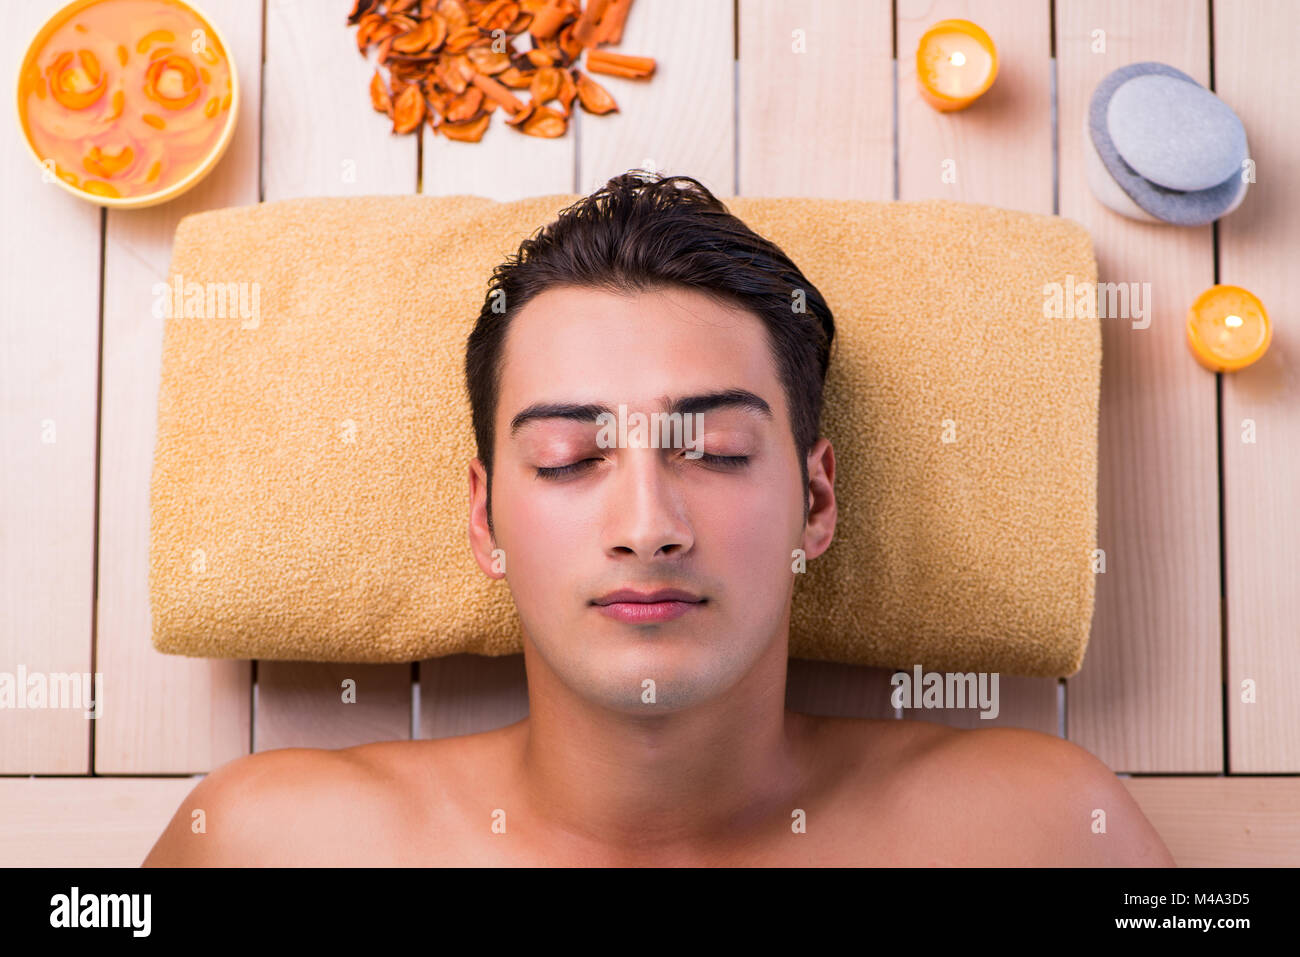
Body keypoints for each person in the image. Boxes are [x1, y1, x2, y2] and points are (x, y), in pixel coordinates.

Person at [144, 171, 1174, 867]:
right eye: (568, 458)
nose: (648, 524)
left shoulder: (1040, 830)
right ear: (485, 516)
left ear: (816, 502)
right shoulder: (270, 842)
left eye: (717, 450)